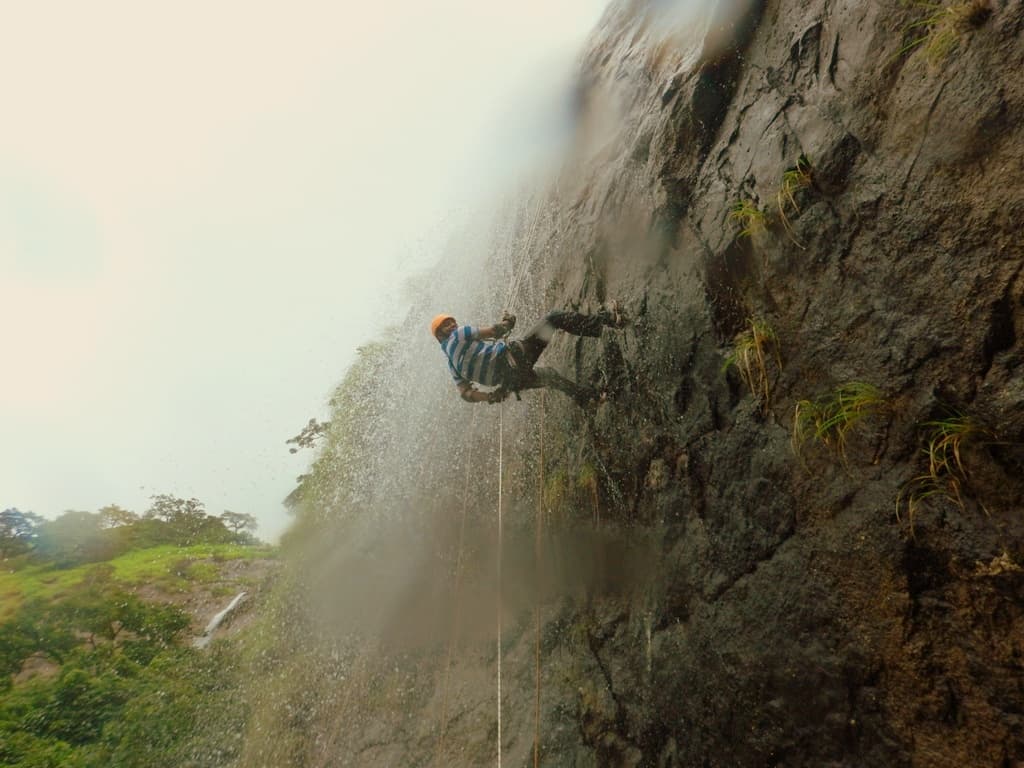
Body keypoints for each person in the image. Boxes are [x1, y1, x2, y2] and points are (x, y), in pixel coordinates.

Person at [430, 305, 626, 405]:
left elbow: (465, 394)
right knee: (553, 319)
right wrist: (508, 321)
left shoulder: (451, 366)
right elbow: (496, 331)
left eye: (452, 321)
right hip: (517, 358)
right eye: (446, 325)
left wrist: (490, 396)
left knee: (549, 376)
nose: (452, 325)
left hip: (513, 382)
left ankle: (591, 399)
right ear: (441, 336)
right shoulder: (458, 335)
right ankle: (605, 322)